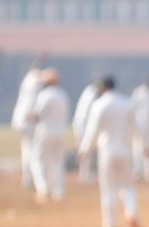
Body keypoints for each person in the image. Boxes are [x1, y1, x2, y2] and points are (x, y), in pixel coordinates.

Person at [79, 76, 140, 227]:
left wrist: (85, 150)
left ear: (104, 87)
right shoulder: (126, 103)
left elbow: (92, 131)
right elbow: (135, 129)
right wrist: (143, 147)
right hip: (125, 150)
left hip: (107, 151)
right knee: (128, 186)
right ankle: (131, 213)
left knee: (108, 189)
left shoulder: (99, 105)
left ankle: (109, 225)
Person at [29, 68, 70, 203]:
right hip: (60, 132)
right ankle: (58, 192)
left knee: (36, 160)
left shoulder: (44, 95)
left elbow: (38, 114)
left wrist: (29, 116)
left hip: (45, 132)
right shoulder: (63, 95)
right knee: (57, 162)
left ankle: (43, 188)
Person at [11, 56, 44, 189]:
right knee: (32, 151)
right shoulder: (35, 82)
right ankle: (32, 180)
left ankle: (27, 179)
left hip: (21, 120)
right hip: (29, 120)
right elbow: (32, 102)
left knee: (26, 149)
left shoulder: (28, 79)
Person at [72, 79, 103, 184]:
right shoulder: (93, 94)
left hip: (81, 124)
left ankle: (84, 173)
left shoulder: (88, 92)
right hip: (84, 126)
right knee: (88, 151)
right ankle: (86, 174)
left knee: (85, 150)